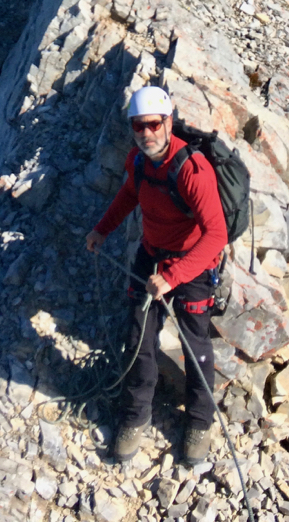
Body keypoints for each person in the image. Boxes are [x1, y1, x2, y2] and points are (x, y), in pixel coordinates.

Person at [86, 86, 227, 464]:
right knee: (138, 339)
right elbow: (129, 195)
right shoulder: (140, 161)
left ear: (168, 122)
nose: (146, 132)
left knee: (195, 345)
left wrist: (174, 275)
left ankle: (199, 422)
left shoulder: (193, 171)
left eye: (153, 124)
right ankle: (136, 416)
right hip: (151, 257)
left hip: (192, 266)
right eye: (138, 126)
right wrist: (102, 229)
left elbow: (216, 235)